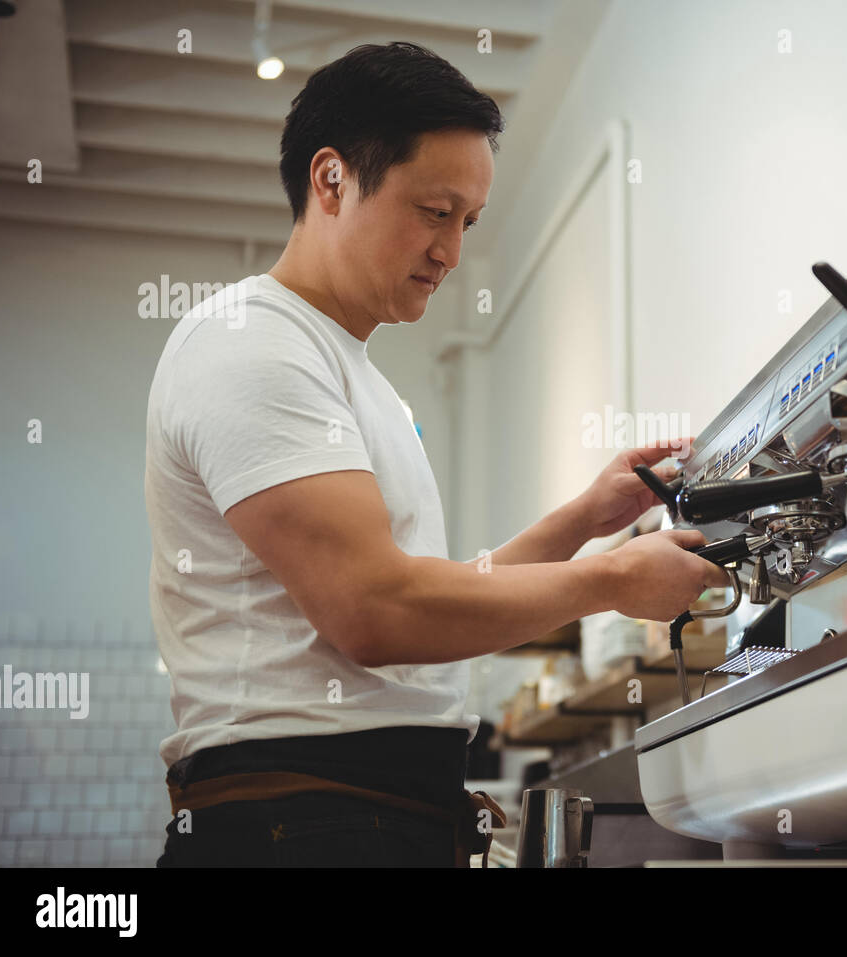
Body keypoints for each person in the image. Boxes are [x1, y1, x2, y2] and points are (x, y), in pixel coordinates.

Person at [145, 42, 728, 867]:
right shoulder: (252, 346)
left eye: (469, 222)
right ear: (332, 181)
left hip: (366, 814)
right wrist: (613, 581)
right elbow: (375, 611)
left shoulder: (357, 375)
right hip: (300, 820)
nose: (452, 252)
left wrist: (588, 518)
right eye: (434, 211)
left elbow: (434, 603)